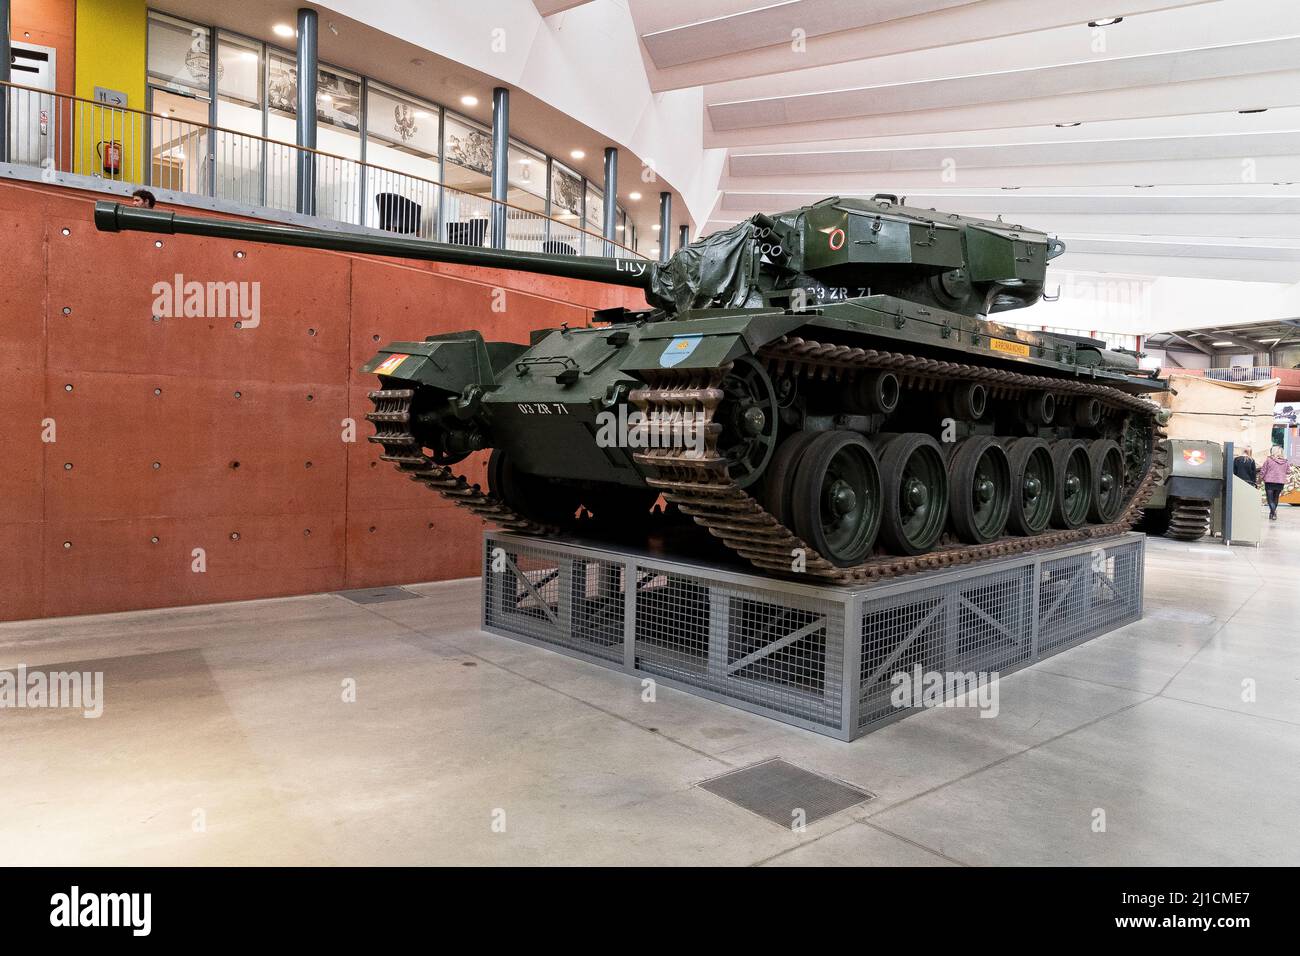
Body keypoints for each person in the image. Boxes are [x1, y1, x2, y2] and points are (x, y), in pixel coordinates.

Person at [1258, 445, 1289, 521]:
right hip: (1280, 482)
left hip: (1269, 481)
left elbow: (1263, 470)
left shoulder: (1269, 460)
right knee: (1276, 498)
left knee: (1270, 499)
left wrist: (1260, 478)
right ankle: (1272, 514)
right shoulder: (1285, 462)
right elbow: (1288, 471)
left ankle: (1273, 512)